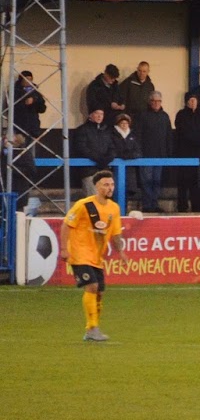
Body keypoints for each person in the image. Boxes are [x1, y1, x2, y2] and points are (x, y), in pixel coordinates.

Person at [63, 170, 125, 342]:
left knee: (99, 293)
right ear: (96, 186)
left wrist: (120, 251)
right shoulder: (84, 205)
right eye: (106, 184)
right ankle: (92, 329)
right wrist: (64, 249)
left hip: (97, 257)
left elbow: (116, 233)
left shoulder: (114, 208)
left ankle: (92, 329)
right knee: (92, 286)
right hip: (79, 253)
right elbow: (66, 224)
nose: (110, 188)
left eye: (112, 184)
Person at [134, 91, 172, 213]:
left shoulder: (165, 116)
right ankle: (147, 205)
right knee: (146, 181)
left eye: (158, 101)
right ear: (150, 102)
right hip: (145, 155)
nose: (156, 103)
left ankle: (154, 204)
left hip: (160, 155)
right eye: (154, 101)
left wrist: (168, 153)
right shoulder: (142, 115)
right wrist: (139, 152)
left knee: (157, 181)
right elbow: (138, 135)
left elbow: (168, 135)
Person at [12, 69, 43, 138]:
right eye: (26, 79)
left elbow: (42, 108)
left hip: (33, 126)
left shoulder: (35, 92)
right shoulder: (15, 91)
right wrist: (24, 103)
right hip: (19, 125)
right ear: (21, 80)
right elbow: (11, 107)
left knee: (32, 143)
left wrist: (35, 101)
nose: (28, 82)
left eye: (30, 79)